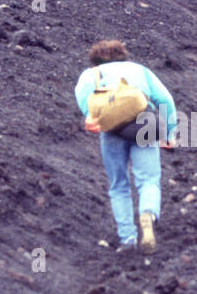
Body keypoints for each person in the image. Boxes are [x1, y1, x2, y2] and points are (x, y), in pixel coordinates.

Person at [75, 39, 177, 252]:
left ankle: (127, 239)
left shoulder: (90, 75)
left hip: (112, 131)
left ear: (94, 61)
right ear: (123, 55)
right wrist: (168, 133)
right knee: (148, 179)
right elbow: (165, 100)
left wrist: (89, 117)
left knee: (119, 185)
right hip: (144, 127)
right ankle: (148, 214)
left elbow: (85, 101)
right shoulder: (139, 70)